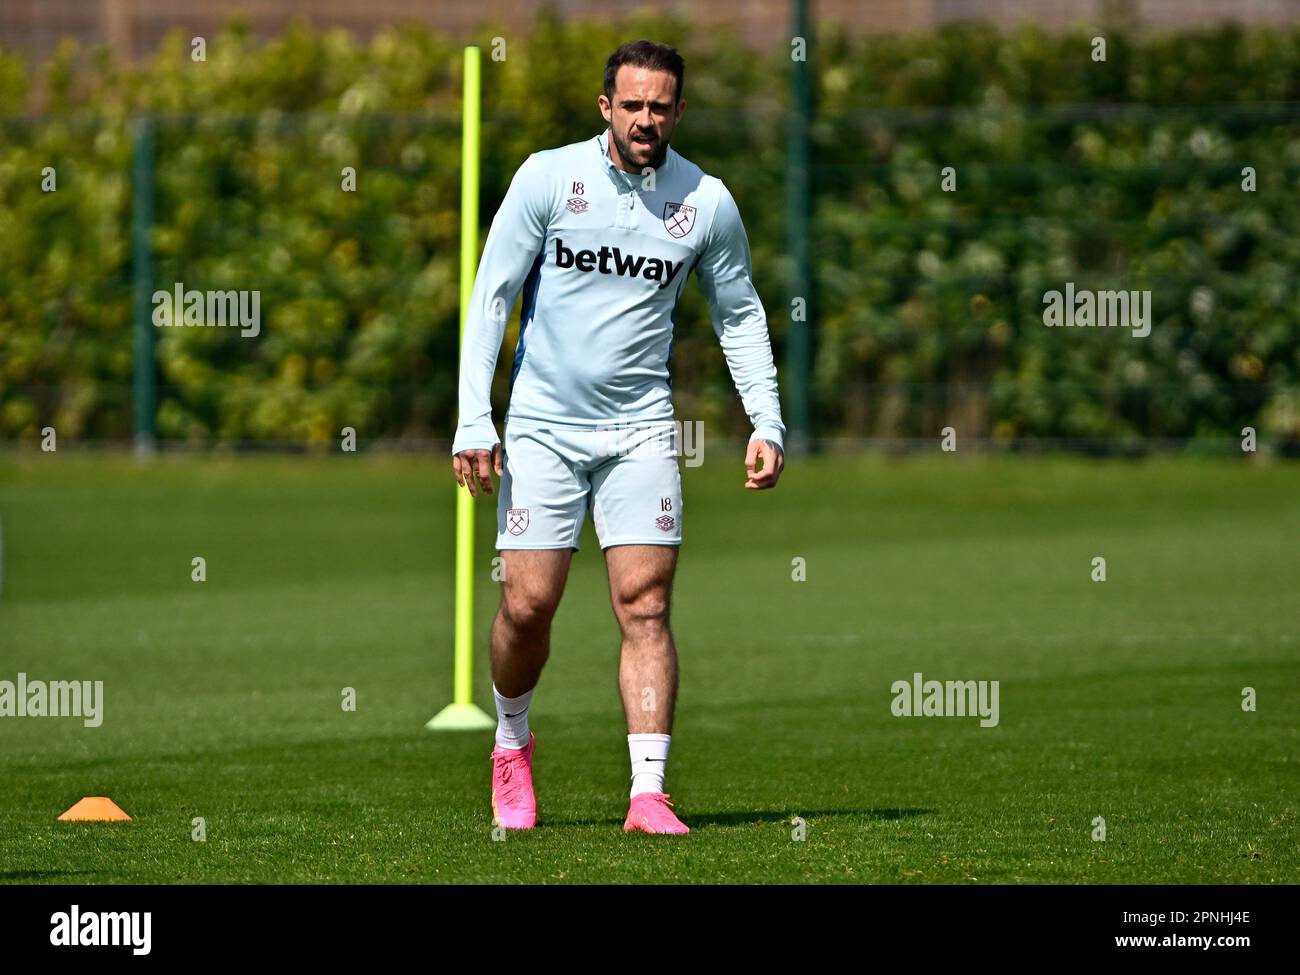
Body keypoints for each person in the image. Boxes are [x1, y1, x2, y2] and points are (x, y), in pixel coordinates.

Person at [451, 39, 785, 834]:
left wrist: (765, 417)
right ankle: (510, 742)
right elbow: (491, 297)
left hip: (640, 430)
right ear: (606, 107)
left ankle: (648, 792)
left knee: (646, 604)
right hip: (542, 428)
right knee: (528, 606)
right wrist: (475, 417)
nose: (645, 119)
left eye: (659, 106)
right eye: (630, 105)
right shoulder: (546, 178)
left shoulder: (706, 201)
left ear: (679, 111)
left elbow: (738, 315)